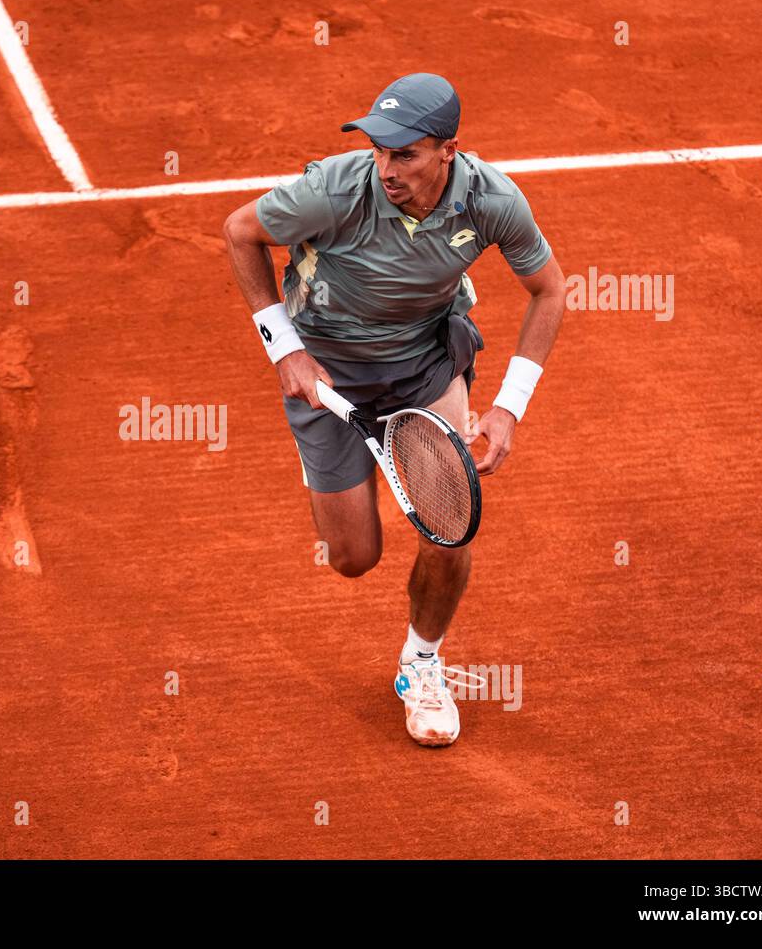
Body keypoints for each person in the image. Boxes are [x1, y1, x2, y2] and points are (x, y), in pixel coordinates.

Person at [222, 72, 565, 746]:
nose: (386, 167)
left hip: (423, 363)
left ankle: (422, 662)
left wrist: (508, 410)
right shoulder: (337, 189)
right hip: (327, 372)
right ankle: (334, 461)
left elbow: (549, 291)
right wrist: (283, 350)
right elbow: (240, 232)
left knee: (449, 528)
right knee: (352, 556)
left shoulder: (493, 202)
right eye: (378, 149)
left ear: (447, 150)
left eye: (404, 153)